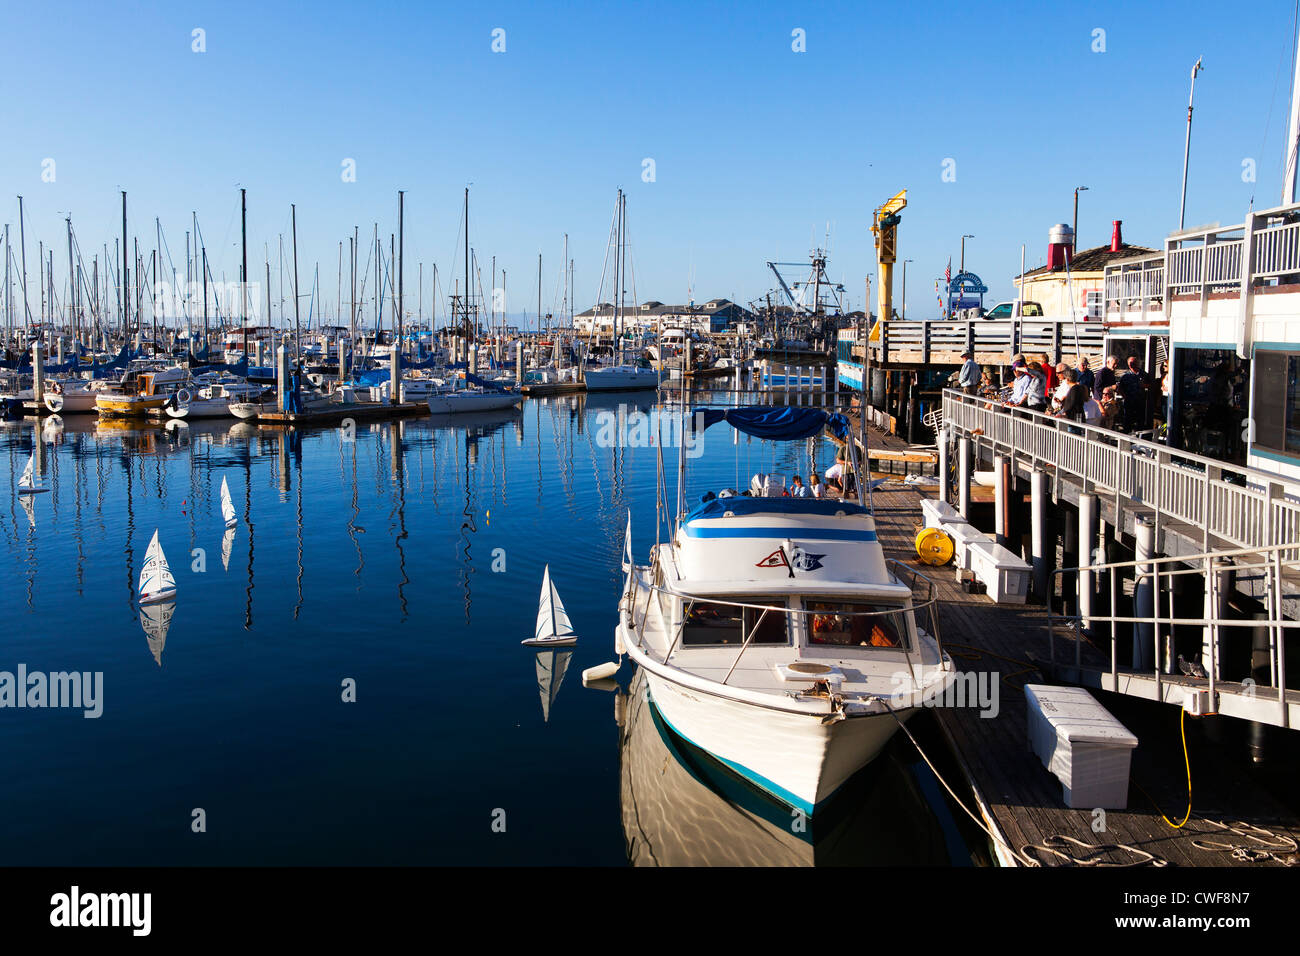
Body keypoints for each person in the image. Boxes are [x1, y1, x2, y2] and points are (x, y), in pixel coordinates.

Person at [1118, 356, 1151, 431]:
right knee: (1128, 422)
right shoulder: (1125, 375)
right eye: (1130, 363)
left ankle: (1139, 440)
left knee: (1140, 422)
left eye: (1134, 363)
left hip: (1140, 401)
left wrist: (1144, 385)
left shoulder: (1143, 374)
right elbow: (1120, 388)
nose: (1132, 365)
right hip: (1129, 402)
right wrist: (1125, 397)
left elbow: (1151, 385)